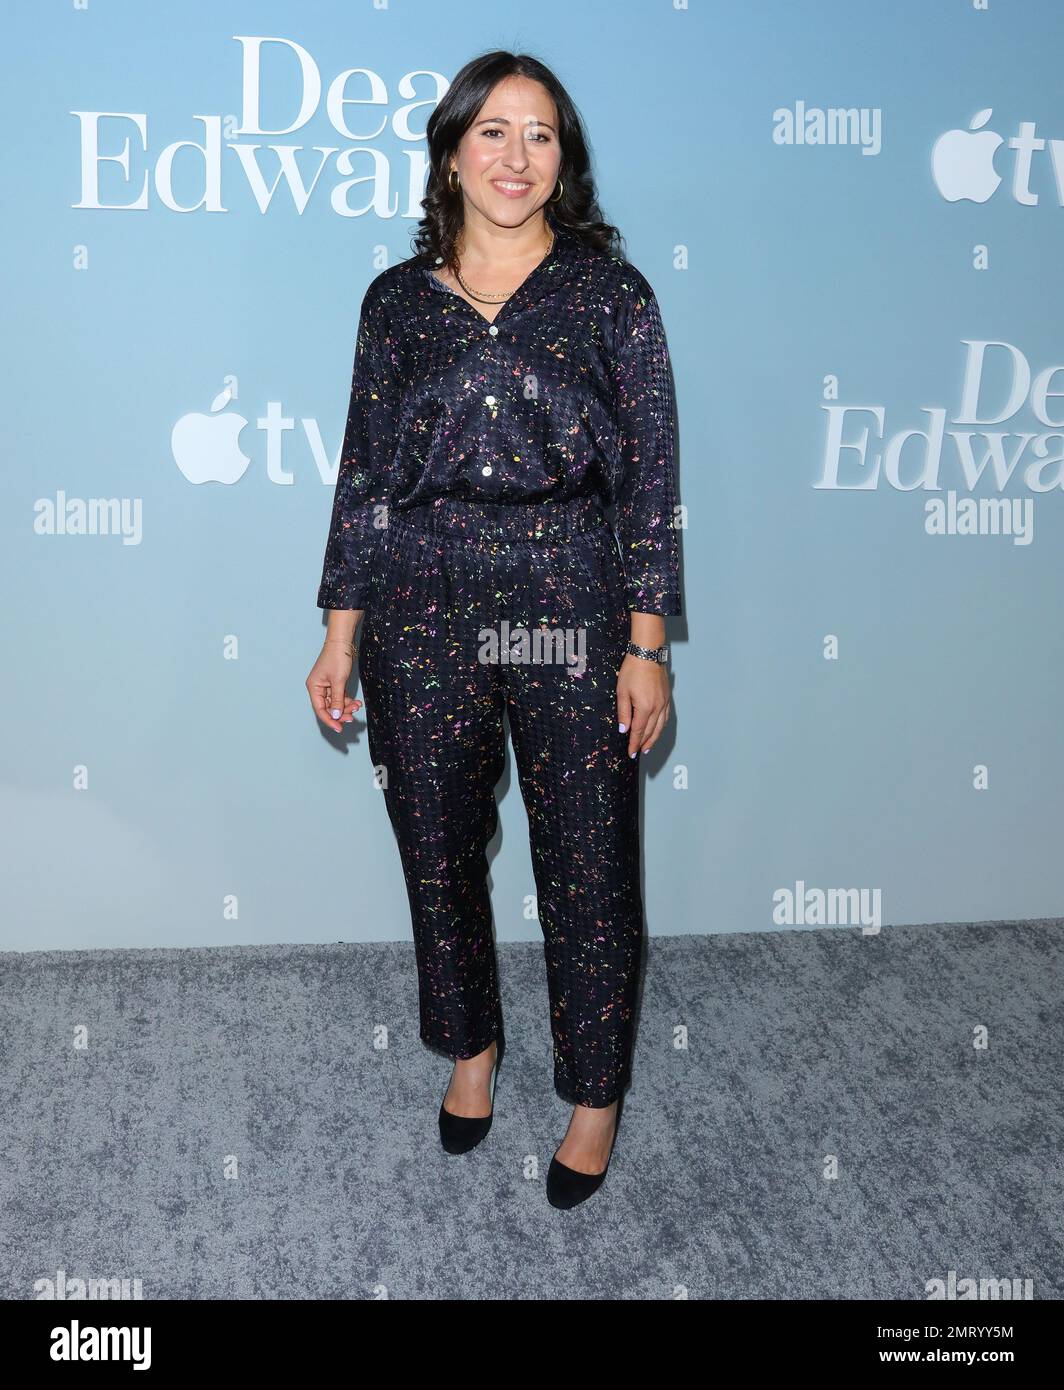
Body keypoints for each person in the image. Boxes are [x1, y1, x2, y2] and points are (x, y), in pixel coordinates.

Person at [305, 50, 681, 1210]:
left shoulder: (611, 297)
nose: (516, 157)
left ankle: (593, 1094)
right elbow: (365, 477)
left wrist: (646, 644)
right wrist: (339, 632)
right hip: (420, 607)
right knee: (435, 845)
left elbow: (650, 480)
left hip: (569, 599)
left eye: (540, 135)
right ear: (452, 153)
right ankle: (469, 1050)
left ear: (563, 160)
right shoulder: (394, 303)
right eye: (493, 132)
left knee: (588, 858)